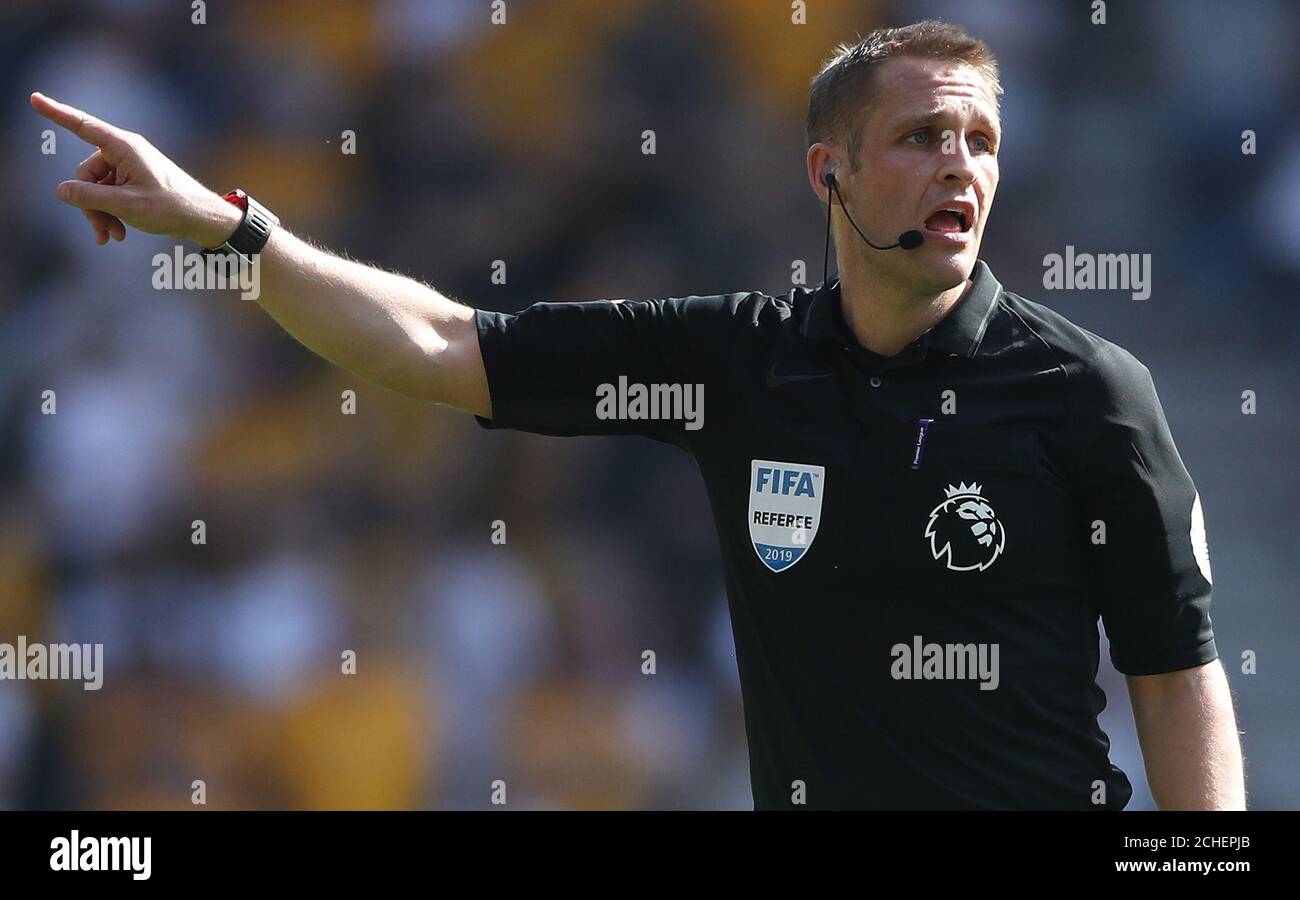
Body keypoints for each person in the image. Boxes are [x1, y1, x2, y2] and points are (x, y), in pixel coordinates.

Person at [30, 19, 1245, 811]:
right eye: (921, 137)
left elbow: (1176, 675)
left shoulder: (1089, 394)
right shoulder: (740, 360)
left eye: (980, 140)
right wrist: (234, 230)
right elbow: (447, 343)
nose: (961, 168)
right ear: (825, 171)